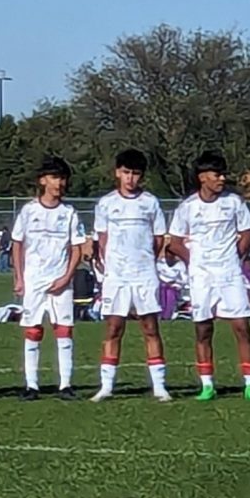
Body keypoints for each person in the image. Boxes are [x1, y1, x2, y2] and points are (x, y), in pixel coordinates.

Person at [167, 150, 250, 401]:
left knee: (241, 327)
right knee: (203, 329)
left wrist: (237, 256)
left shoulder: (234, 202)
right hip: (202, 277)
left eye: (223, 174)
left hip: (229, 273)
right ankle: (207, 384)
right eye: (216, 174)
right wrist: (194, 261)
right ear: (202, 177)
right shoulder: (188, 207)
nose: (221, 179)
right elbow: (174, 242)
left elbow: (248, 232)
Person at [91, 149, 172, 402]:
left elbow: (158, 239)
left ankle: (159, 386)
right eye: (126, 172)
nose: (130, 178)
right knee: (114, 328)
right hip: (117, 276)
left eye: (135, 174)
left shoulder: (150, 203)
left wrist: (144, 259)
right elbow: (101, 239)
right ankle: (106, 386)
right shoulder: (106, 204)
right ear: (117, 172)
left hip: (144, 274)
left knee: (150, 327)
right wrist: (110, 265)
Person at [11, 158, 88, 399]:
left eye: (63, 178)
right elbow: (17, 244)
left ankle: (65, 384)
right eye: (55, 177)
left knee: (64, 330)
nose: (59, 183)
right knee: (33, 330)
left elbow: (77, 247)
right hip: (34, 280)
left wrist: (67, 277)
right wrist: (19, 278)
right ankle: (31, 385)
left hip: (60, 281)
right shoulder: (28, 211)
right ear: (43, 180)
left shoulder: (69, 213)